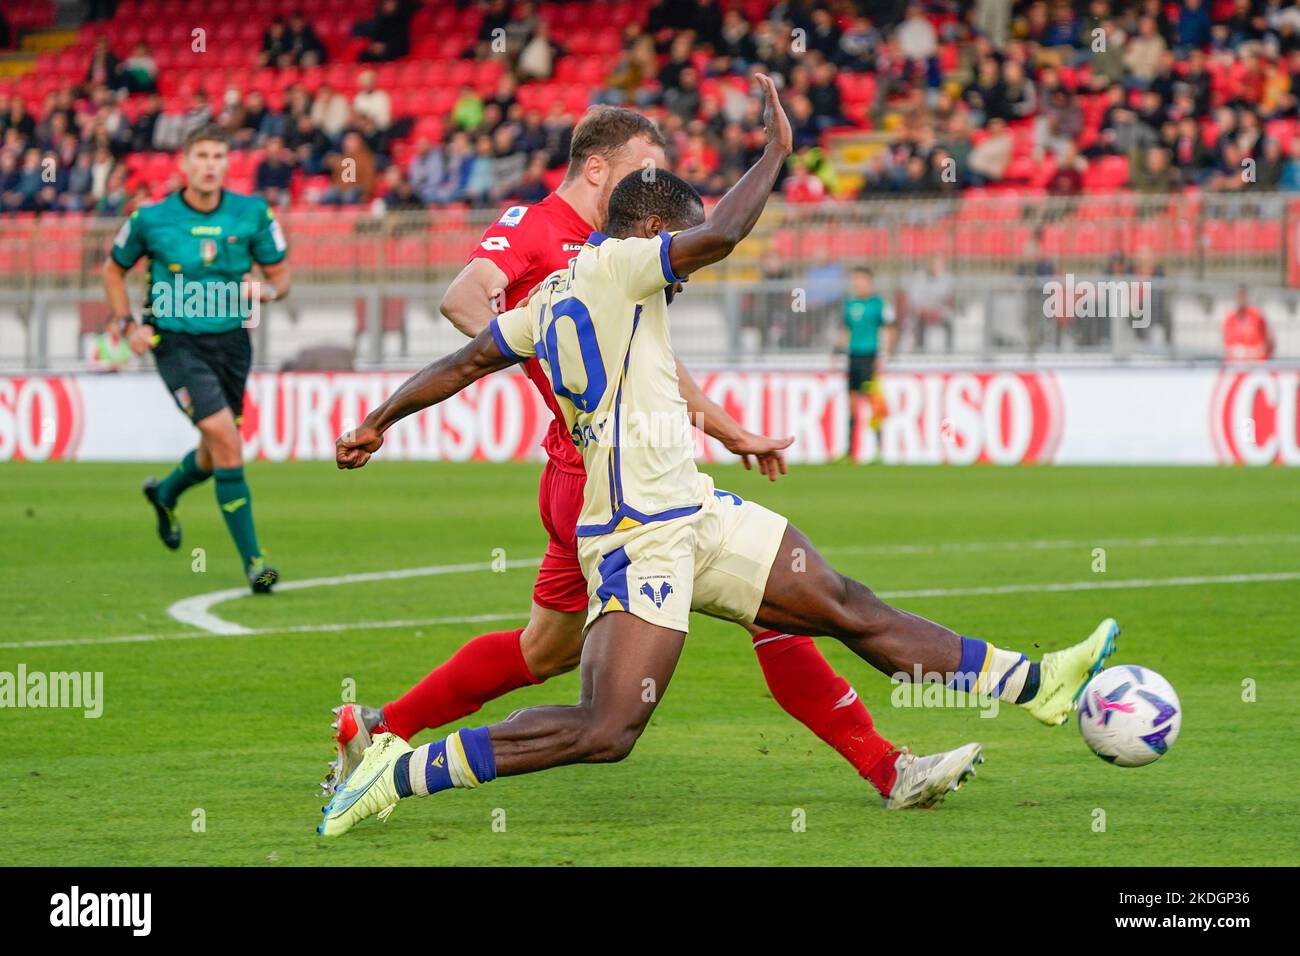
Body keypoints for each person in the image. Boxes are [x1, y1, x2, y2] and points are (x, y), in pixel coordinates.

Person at [322, 77, 1118, 835]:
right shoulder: (622, 265)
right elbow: (725, 234)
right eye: (676, 238)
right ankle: (393, 770)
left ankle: (1037, 684)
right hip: (638, 534)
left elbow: (464, 363)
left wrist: (378, 419)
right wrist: (776, 150)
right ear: (650, 233)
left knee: (845, 604)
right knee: (606, 726)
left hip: (693, 511)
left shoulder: (557, 294)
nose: (687, 268)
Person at [323, 105, 917, 810]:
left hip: (591, 471)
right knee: (767, 606)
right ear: (597, 167)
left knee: (545, 650)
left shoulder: (619, 248)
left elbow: (657, 365)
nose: (653, 185)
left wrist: (728, 430)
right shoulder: (538, 227)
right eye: (642, 169)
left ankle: (377, 725)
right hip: (596, 475)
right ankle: (888, 767)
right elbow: (463, 299)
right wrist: (552, 363)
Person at [102, 125, 290, 592]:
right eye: (201, 155)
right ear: (184, 164)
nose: (209, 164)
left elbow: (282, 278)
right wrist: (128, 324)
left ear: (228, 164)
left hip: (232, 345)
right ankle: (255, 563)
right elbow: (113, 270)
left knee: (212, 455)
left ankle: (164, 494)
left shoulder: (252, 214)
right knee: (226, 440)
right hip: (176, 344)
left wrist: (264, 291)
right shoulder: (151, 219)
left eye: (218, 156)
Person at [839, 267, 895, 458]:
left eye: (861, 280)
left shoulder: (879, 304)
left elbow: (889, 329)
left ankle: (878, 449)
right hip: (853, 357)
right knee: (852, 404)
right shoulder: (850, 304)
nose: (857, 284)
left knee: (874, 403)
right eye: (855, 280)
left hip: (870, 357)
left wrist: (884, 355)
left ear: (869, 282)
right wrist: (838, 351)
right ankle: (849, 452)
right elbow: (846, 330)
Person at [1222, 287, 1275, 361]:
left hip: (1256, 361)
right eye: (1240, 297)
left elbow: (1268, 340)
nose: (1241, 300)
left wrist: (1253, 352)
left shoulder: (1257, 315)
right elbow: (1229, 346)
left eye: (1243, 297)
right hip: (1237, 362)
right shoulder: (1230, 318)